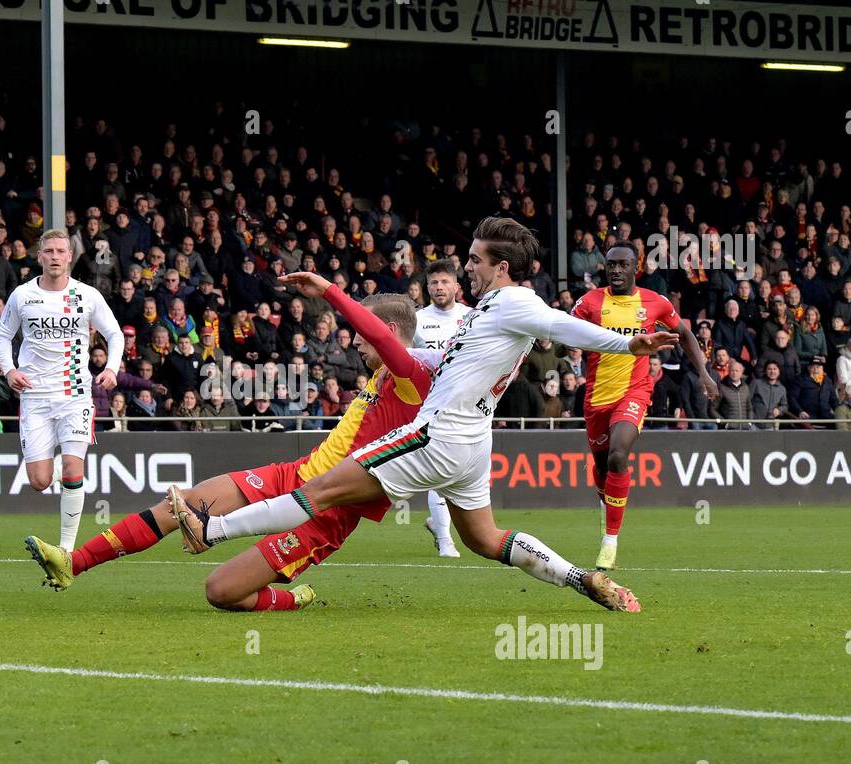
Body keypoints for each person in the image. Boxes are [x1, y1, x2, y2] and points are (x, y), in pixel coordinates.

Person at [174, 218, 678, 614]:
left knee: (319, 489)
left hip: (436, 436)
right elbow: (434, 359)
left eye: (476, 260)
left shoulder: (514, 303)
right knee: (484, 538)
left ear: (502, 267)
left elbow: (561, 325)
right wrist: (342, 301)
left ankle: (211, 530)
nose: (468, 269)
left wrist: (628, 343)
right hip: (471, 446)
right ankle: (580, 577)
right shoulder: (487, 315)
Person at [25, 270, 432, 612]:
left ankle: (291, 600)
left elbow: (379, 339)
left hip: (327, 512)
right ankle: (72, 563)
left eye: (360, 334)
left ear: (386, 332)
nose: (356, 342)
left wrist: (328, 290)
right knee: (179, 504)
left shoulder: (411, 377)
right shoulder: (382, 376)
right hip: (293, 475)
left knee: (220, 591)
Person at [570, 241, 715, 570]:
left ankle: (610, 542)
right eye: (611, 265)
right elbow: (564, 330)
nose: (616, 270)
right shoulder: (590, 302)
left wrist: (704, 373)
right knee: (603, 466)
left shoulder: (655, 302)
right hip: (596, 397)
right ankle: (607, 506)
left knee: (620, 454)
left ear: (635, 268)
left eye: (623, 265)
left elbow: (686, 334)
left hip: (634, 392)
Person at [0, 229, 124, 551]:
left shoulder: (88, 295)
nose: (54, 257)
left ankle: (66, 551)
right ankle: (61, 468)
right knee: (39, 481)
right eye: (48, 251)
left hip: (75, 393)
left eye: (60, 251)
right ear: (39, 256)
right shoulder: (22, 296)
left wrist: (110, 368)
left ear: (69, 257)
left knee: (72, 468)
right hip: (35, 396)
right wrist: (9, 369)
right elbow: (2, 335)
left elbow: (115, 334)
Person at [414, 260, 467, 557]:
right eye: (434, 283)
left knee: (458, 471)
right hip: (430, 402)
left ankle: (439, 523)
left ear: (456, 286)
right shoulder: (418, 319)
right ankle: (446, 539)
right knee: (439, 469)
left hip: (466, 403)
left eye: (445, 282)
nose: (439, 287)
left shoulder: (471, 317)